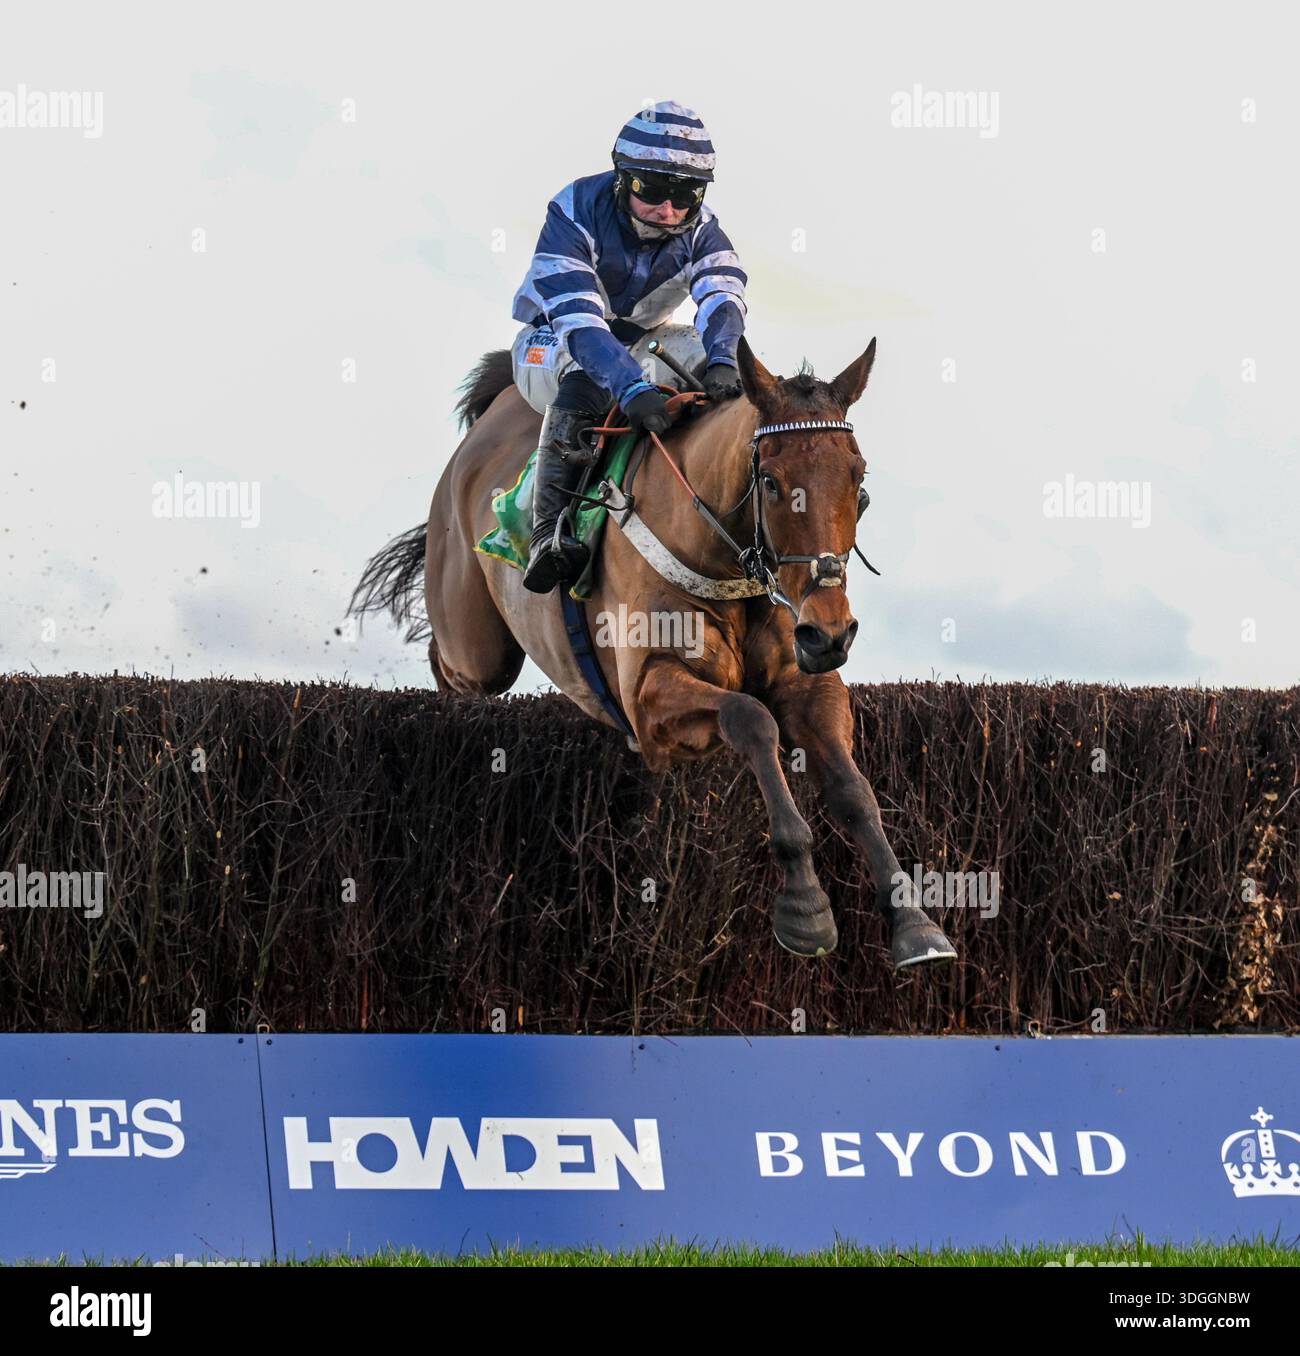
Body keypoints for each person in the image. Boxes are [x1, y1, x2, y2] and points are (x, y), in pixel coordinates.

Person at [510, 100, 748, 593]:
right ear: (623, 178)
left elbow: (723, 294)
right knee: (584, 370)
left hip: (643, 341)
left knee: (737, 377)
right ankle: (548, 534)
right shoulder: (574, 209)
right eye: (653, 189)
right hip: (551, 338)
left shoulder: (703, 231)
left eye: (686, 194)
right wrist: (630, 386)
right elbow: (580, 320)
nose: (668, 210)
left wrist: (724, 358)